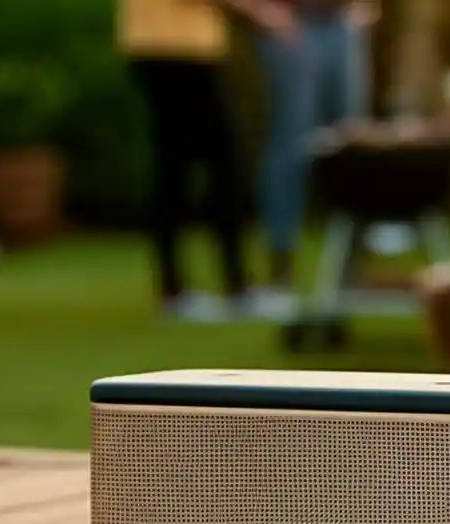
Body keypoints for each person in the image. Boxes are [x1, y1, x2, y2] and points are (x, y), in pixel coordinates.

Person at [119, 0, 260, 321]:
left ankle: (209, 286)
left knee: (191, 166)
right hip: (172, 50)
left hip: (179, 48)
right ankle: (203, 288)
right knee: (208, 165)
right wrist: (261, 13)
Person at [253, 0, 376, 310]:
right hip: (295, 24)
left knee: (353, 146)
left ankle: (352, 267)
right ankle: (281, 265)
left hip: (343, 24)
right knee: (292, 147)